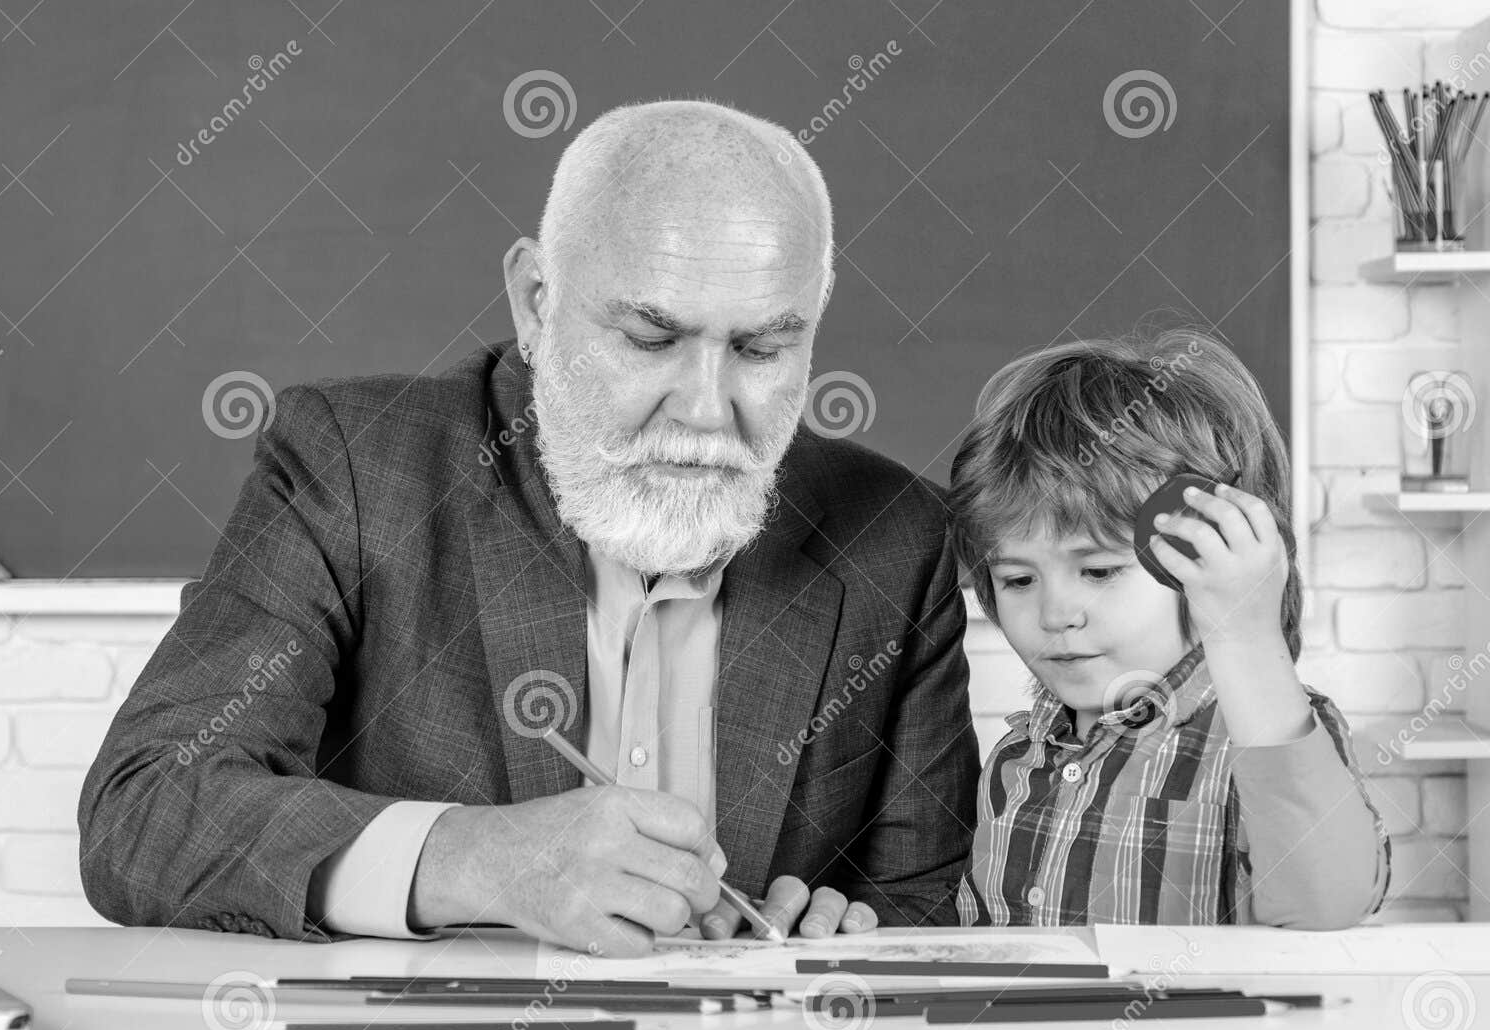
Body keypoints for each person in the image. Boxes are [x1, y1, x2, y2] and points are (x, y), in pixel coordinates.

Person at [77, 99, 981, 954]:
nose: (708, 412)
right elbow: (146, 808)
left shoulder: (896, 536)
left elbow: (926, 899)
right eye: (650, 339)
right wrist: (480, 861)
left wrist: (840, 934)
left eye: (761, 350)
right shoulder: (354, 467)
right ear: (536, 301)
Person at [944, 329, 1390, 928]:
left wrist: (1245, 634)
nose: (1055, 615)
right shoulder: (1015, 760)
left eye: (1099, 570)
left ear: (1198, 557)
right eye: (1018, 580)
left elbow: (1328, 905)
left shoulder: (1264, 740)